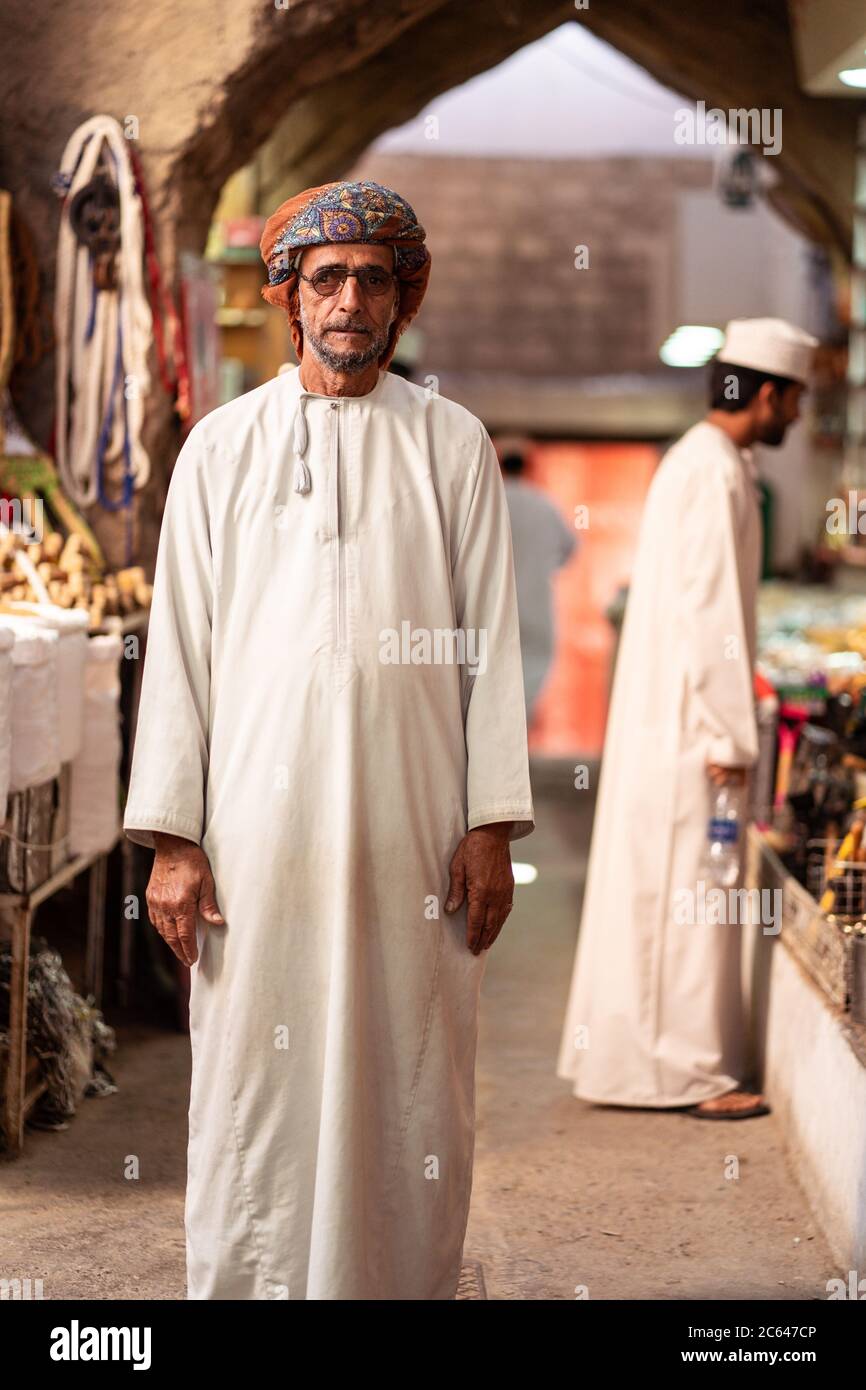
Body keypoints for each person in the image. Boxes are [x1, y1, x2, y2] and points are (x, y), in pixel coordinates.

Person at [123, 179, 534, 1300]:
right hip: (254, 840)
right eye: (327, 278)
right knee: (255, 1076)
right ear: (289, 296)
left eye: (373, 279)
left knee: (406, 1078)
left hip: (414, 832)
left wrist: (491, 822)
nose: (350, 300)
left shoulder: (450, 444)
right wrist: (171, 837)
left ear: (406, 300)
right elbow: (182, 650)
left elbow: (488, 641)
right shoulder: (220, 449)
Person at [556, 318, 817, 1120]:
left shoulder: (703, 462)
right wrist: (730, 733)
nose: (797, 419)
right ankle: (690, 1075)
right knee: (694, 893)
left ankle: (649, 1066)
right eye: (795, 401)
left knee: (668, 892)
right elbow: (712, 615)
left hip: (678, 720)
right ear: (766, 394)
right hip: (693, 729)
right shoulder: (713, 472)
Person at [500, 449, 576, 719]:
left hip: (494, 606)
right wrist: (545, 566)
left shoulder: (490, 500)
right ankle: (520, 735)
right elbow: (570, 547)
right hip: (535, 603)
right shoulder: (544, 504)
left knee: (494, 677)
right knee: (530, 675)